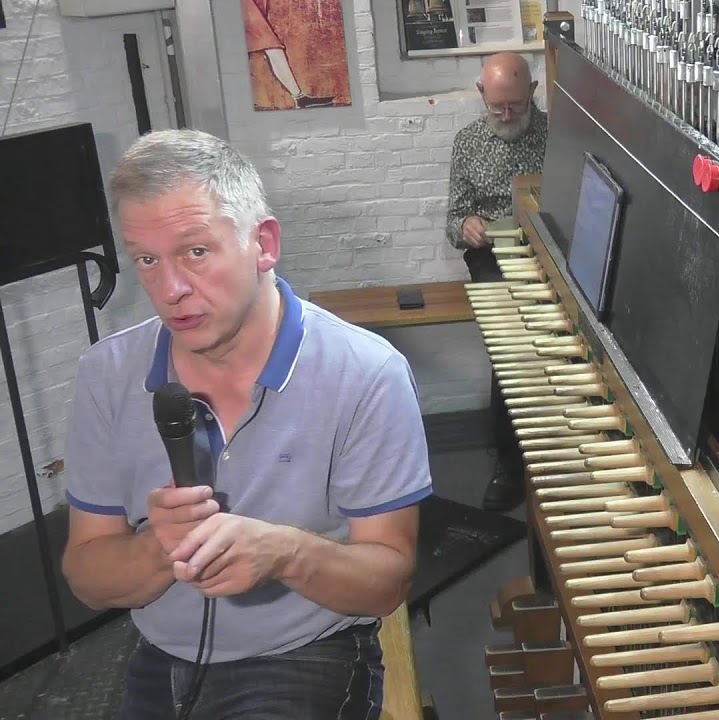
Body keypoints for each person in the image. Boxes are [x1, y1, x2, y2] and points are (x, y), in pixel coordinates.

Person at [60, 129, 432, 719]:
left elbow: (387, 581)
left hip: (307, 652)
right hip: (162, 654)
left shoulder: (367, 374)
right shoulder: (106, 376)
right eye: (148, 260)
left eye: (196, 252)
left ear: (263, 243)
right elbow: (87, 575)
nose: (171, 289)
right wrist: (160, 548)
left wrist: (286, 554)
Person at [446, 51, 548, 512]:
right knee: (511, 353)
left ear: (533, 92)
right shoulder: (467, 143)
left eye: (517, 106)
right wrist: (466, 225)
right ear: (481, 93)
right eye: (496, 107)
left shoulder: (560, 138)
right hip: (492, 259)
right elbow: (453, 220)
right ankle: (510, 464)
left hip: (550, 253)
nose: (507, 116)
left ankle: (560, 461)